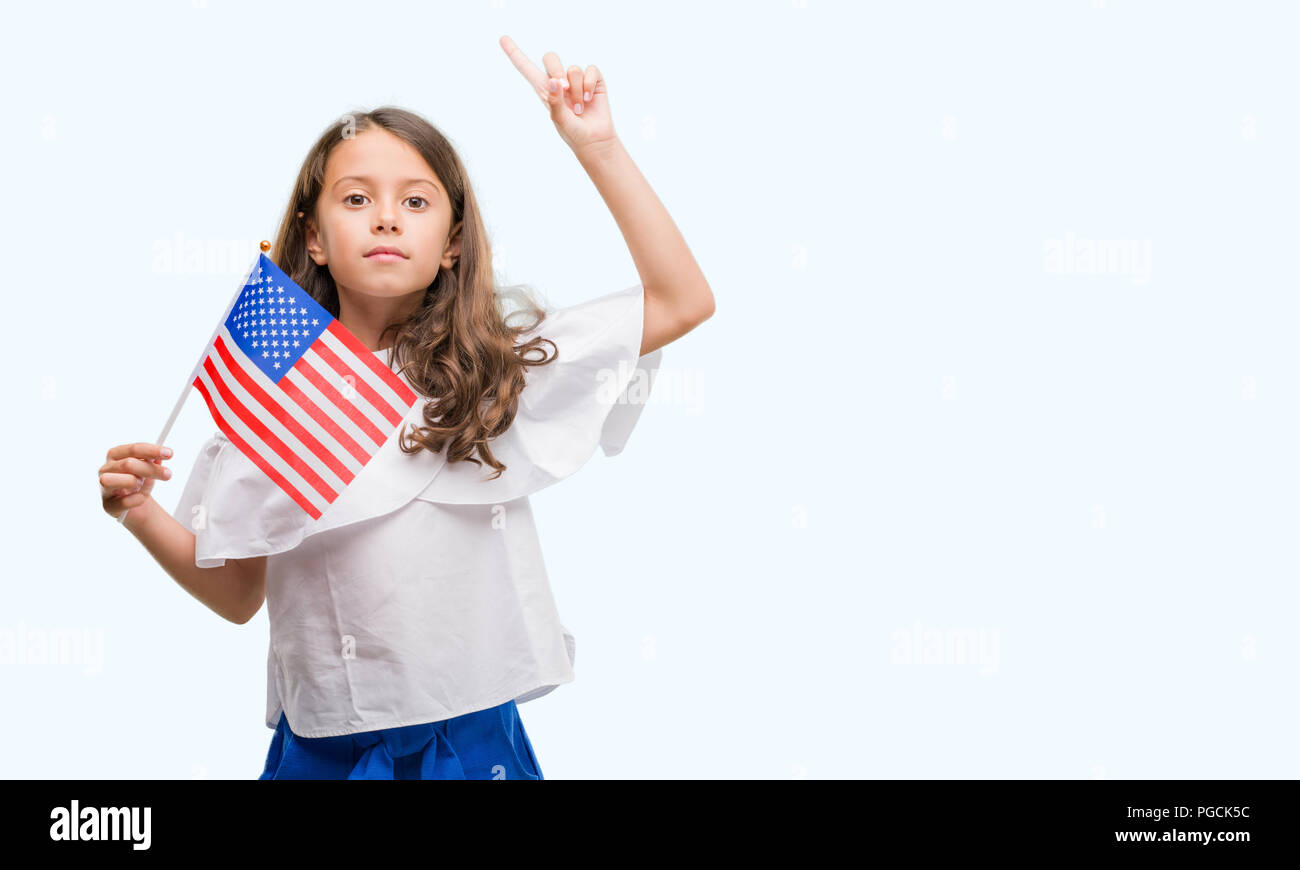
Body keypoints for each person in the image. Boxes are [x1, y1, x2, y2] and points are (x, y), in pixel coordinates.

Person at [96, 37, 715, 780]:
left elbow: (683, 300)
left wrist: (600, 147)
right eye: (356, 199)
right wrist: (138, 511)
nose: (386, 218)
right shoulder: (273, 398)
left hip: (469, 740)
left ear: (452, 244)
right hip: (324, 745)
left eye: (415, 201)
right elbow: (235, 595)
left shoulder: (496, 373)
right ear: (314, 239)